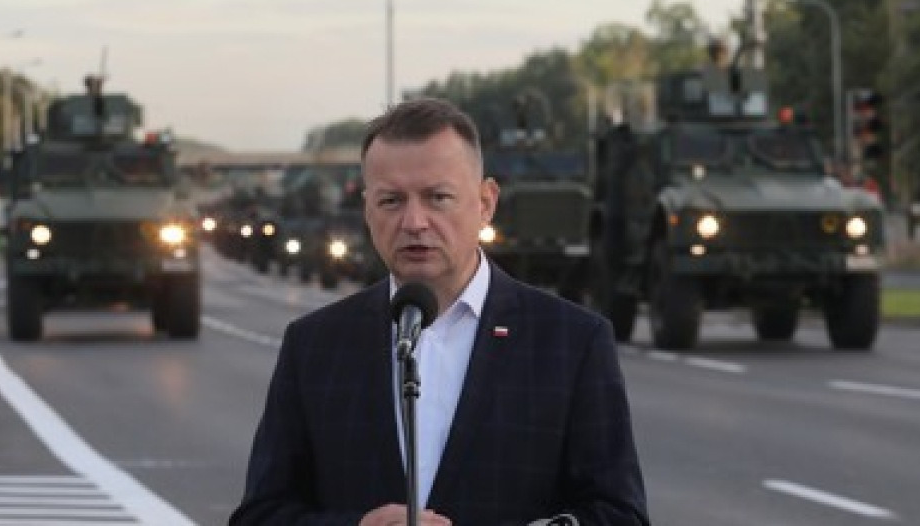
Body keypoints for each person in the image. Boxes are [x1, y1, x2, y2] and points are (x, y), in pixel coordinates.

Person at [231, 98, 649, 525]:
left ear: (486, 203)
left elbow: (619, 514)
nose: (414, 222)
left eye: (438, 198)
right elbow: (260, 515)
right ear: (367, 210)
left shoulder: (571, 342)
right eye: (392, 201)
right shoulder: (315, 345)